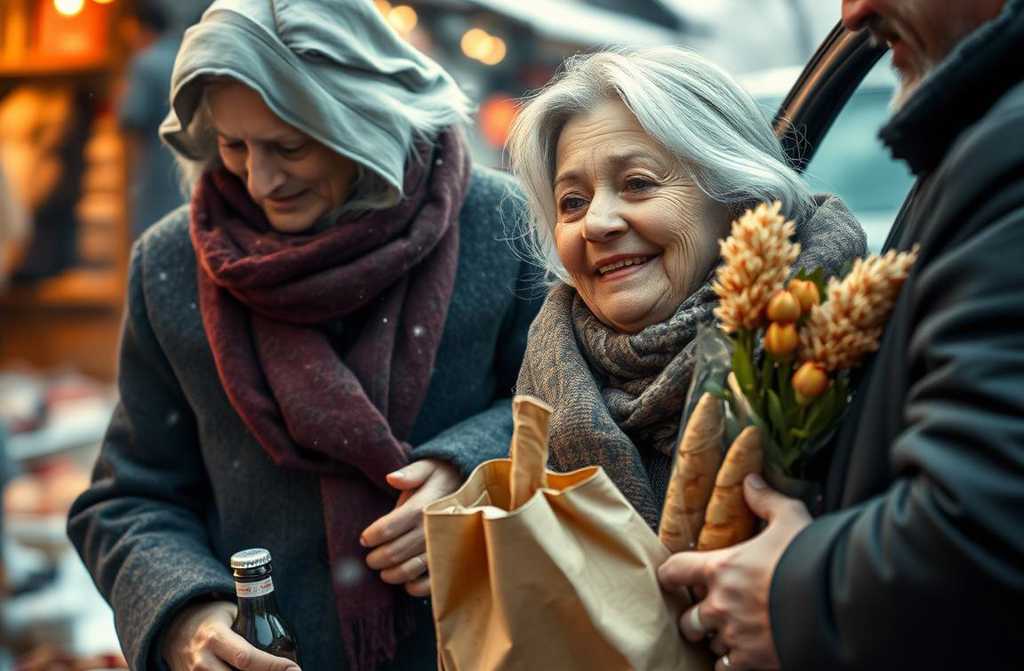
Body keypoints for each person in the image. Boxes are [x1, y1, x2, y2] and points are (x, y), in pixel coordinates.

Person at [67, 1, 541, 669]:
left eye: (290, 146)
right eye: (233, 146)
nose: (260, 180)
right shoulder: (170, 266)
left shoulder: (498, 225)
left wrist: (477, 472)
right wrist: (183, 615)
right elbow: (129, 497)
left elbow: (573, 408)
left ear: (363, 118)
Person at [656, 1, 1024, 670]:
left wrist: (793, 594)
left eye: (641, 182)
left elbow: (981, 518)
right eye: (570, 198)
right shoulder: (976, 142)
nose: (854, 12)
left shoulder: (1006, 150)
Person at [508, 48, 864, 531]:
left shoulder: (853, 354)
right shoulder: (544, 380)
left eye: (638, 183)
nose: (596, 222)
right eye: (572, 202)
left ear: (740, 200)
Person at [116, 0, 189, 238]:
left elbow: (131, 121)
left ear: (137, 26)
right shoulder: (187, 53)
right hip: (191, 177)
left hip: (155, 180)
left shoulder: (145, 63)